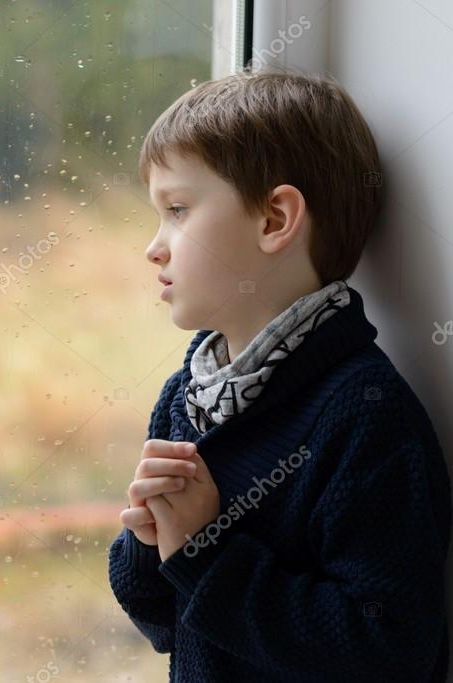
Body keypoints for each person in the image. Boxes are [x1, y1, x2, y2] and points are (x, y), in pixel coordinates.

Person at [107, 69, 451, 682]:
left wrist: (203, 552)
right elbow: (165, 624)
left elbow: (391, 651)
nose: (153, 248)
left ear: (274, 220)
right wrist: (148, 542)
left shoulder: (364, 415)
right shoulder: (187, 398)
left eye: (178, 210)